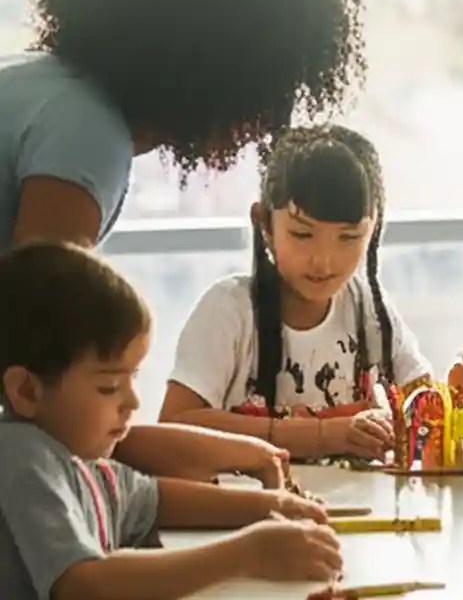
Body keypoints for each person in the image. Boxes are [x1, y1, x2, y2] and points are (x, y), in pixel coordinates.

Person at [0, 0, 366, 483]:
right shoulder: (88, 137)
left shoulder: (40, 86)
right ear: (210, 69)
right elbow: (44, 375)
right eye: (263, 94)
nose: (261, 125)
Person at [0, 242, 343, 600]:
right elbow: (82, 585)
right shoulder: (21, 457)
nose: (132, 401)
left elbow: (152, 501)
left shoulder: (78, 462)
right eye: (109, 387)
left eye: (133, 378)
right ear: (26, 391)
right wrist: (245, 555)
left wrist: (275, 507)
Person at [160, 125, 433, 462]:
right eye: (302, 234)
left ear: (374, 229)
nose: (323, 261)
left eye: (348, 238)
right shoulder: (230, 310)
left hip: (357, 511)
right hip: (255, 511)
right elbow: (174, 427)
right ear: (264, 224)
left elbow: (426, 401)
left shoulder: (370, 308)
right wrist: (323, 435)